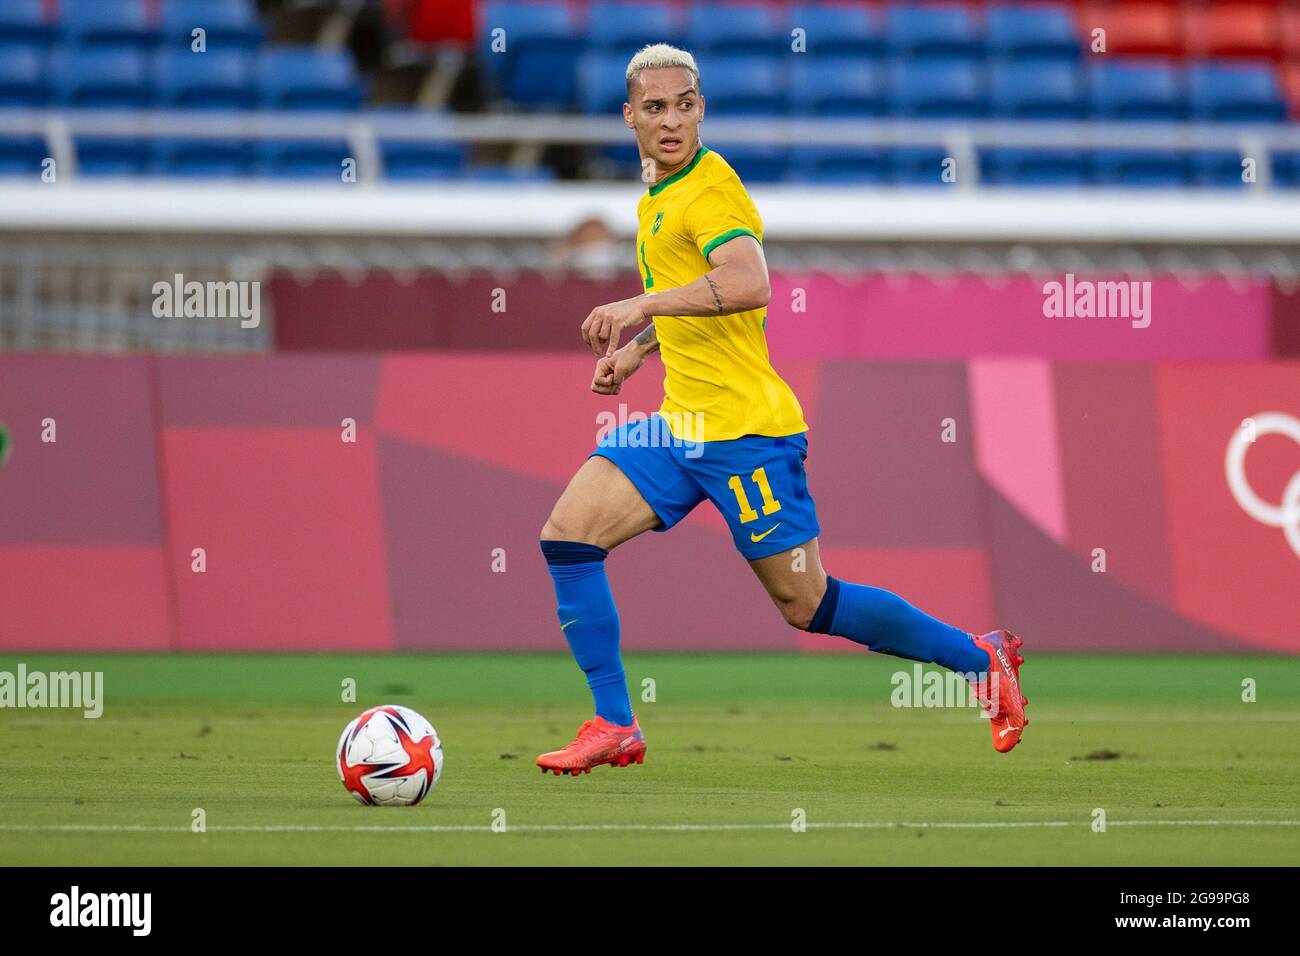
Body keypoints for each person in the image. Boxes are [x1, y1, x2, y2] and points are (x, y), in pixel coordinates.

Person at [536, 45, 1027, 777]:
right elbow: (699, 304)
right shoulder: (657, 195)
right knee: (568, 538)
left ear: (701, 109)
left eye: (685, 105)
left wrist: (637, 303)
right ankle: (615, 722)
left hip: (747, 433)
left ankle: (977, 660)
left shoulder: (710, 192)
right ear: (630, 116)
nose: (671, 121)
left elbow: (748, 283)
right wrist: (641, 348)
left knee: (807, 603)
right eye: (656, 107)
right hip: (682, 426)